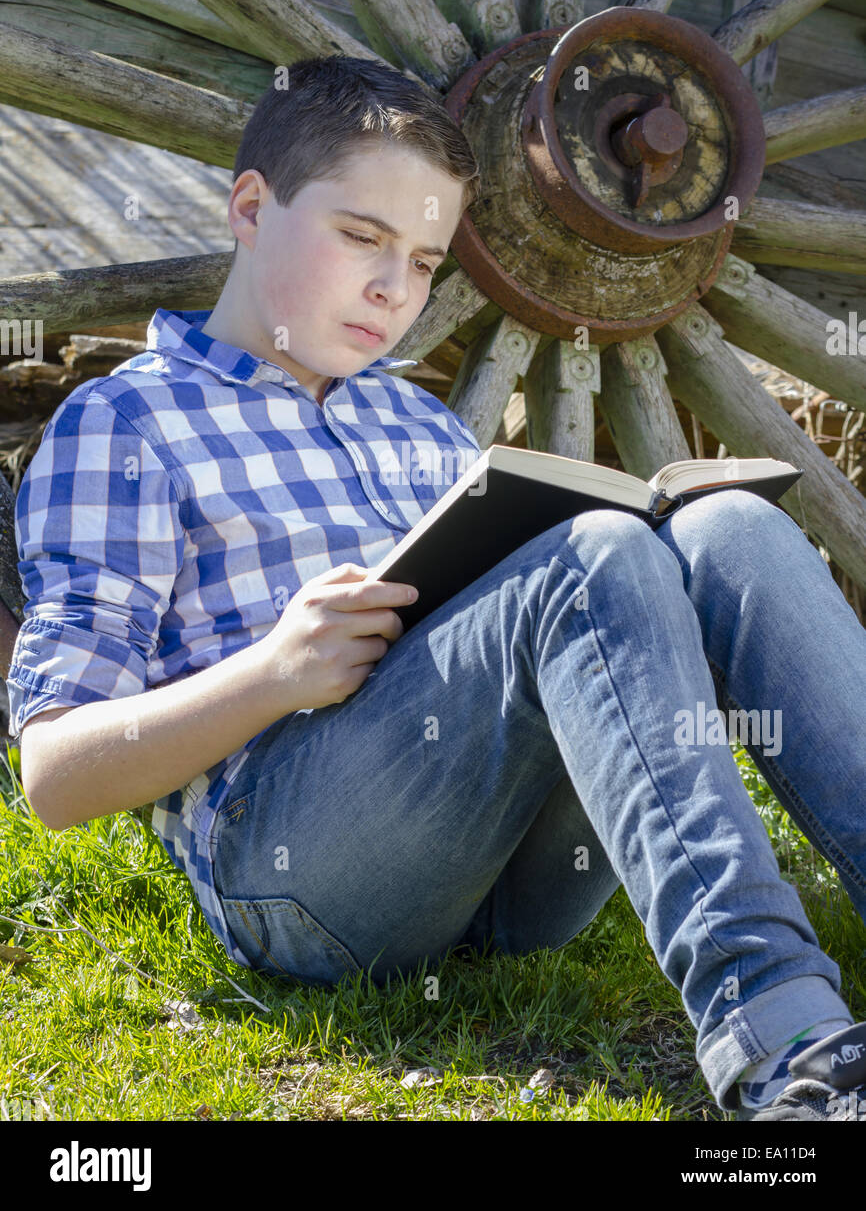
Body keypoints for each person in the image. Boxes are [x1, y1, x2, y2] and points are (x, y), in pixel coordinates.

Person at [8, 55, 866, 1124]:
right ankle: (786, 1041)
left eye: (420, 261)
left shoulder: (410, 420)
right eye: (360, 238)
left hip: (507, 868)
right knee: (589, 556)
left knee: (729, 523)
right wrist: (274, 673)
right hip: (298, 868)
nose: (392, 290)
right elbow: (52, 775)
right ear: (249, 206)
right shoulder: (126, 428)